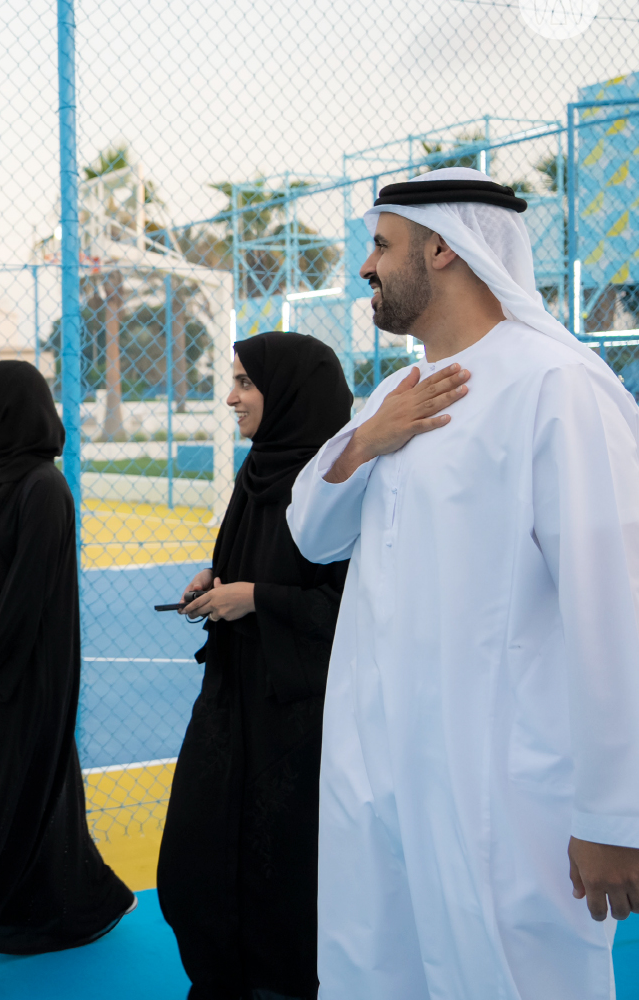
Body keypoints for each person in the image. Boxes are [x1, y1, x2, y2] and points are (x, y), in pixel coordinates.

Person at [286, 167, 639, 998]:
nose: (364, 268)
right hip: (378, 777)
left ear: (443, 247)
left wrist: (613, 813)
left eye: (380, 245)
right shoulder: (390, 394)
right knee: (377, 967)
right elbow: (310, 531)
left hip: (500, 787)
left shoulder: (555, 384)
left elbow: (613, 606)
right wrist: (367, 440)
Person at [156, 332, 352, 1000]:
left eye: (244, 381)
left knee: (282, 873)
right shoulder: (257, 470)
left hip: (296, 721)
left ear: (289, 392)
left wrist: (253, 598)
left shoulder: (336, 480)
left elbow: (351, 609)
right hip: (231, 699)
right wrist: (216, 580)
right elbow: (250, 562)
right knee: (193, 856)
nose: (230, 396)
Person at [0, 361, 136, 966]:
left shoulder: (44, 490)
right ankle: (81, 901)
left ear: (10, 406)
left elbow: (23, 604)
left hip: (27, 678)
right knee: (37, 793)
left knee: (1, 797)